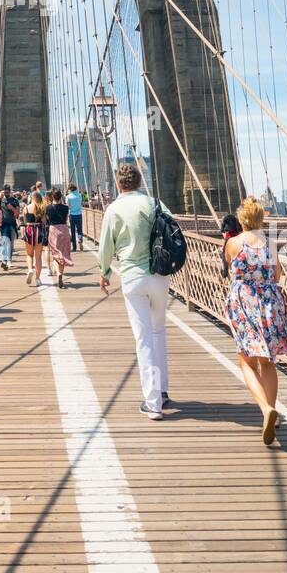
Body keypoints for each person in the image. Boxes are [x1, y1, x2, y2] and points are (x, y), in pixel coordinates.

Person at [97, 162, 173, 419]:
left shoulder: (114, 208)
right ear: (140, 181)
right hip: (160, 275)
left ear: (119, 183)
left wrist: (105, 272)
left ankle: (153, 403)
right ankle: (162, 391)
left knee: (143, 339)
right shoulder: (156, 204)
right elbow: (173, 231)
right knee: (159, 331)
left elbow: (106, 245)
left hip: (133, 278)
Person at [224, 195, 287, 446]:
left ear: (242, 220)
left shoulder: (234, 243)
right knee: (267, 361)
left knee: (246, 360)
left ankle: (265, 409)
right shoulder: (271, 244)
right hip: (270, 305)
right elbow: (276, 275)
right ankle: (273, 413)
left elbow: (230, 269)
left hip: (244, 303)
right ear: (261, 219)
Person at [45, 188, 71, 287]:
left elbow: (47, 219)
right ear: (61, 197)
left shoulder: (48, 208)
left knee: (56, 253)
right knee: (63, 253)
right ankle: (60, 273)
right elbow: (66, 218)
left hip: (53, 230)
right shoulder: (66, 208)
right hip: (64, 230)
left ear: (52, 197)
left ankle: (58, 274)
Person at [22, 190, 45, 285]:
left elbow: (24, 221)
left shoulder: (26, 208)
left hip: (29, 231)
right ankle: (38, 279)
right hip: (39, 231)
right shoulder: (42, 208)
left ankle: (30, 269)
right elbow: (44, 222)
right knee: (38, 257)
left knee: (29, 254)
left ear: (31, 198)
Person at [0, 191, 18, 269]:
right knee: (4, 242)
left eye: (8, 191)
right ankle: (4, 260)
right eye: (5, 191)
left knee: (11, 243)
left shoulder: (15, 201)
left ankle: (9, 260)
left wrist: (12, 208)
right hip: (3, 224)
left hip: (12, 224)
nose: (7, 193)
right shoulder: (1, 201)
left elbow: (17, 213)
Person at [65, 183, 84, 251]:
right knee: (79, 230)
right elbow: (80, 203)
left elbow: (68, 206)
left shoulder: (68, 197)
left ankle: (74, 247)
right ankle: (80, 239)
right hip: (79, 214)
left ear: (70, 189)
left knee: (72, 231)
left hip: (72, 215)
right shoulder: (79, 195)